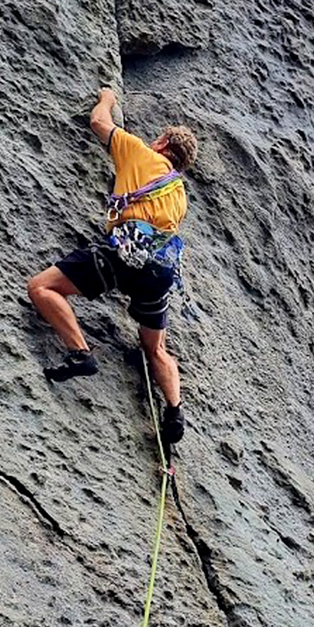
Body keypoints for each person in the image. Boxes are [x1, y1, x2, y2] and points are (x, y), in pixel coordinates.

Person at [27, 87, 198, 450]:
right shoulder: (179, 195)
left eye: (159, 138)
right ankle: (175, 411)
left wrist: (107, 97)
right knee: (156, 349)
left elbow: (98, 122)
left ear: (164, 143)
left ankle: (81, 353)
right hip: (158, 274)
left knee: (42, 287)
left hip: (122, 257)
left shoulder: (142, 154)